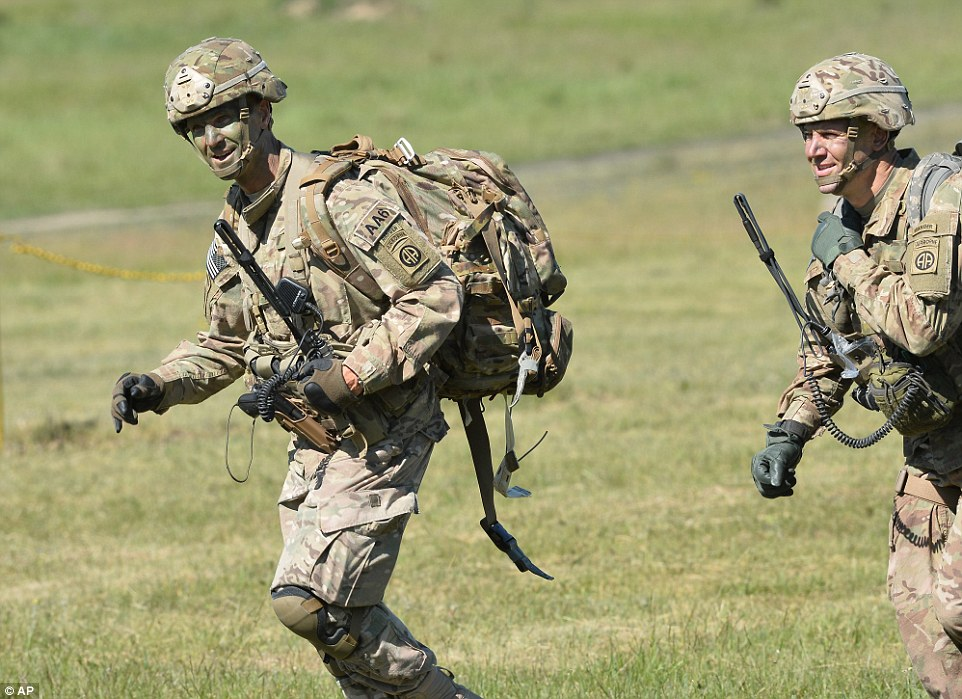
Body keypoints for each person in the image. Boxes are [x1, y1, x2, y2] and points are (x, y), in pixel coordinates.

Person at [110, 36, 483, 699]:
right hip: (316, 439)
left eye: (223, 116)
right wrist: (159, 383)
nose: (211, 138)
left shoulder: (335, 202)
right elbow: (223, 344)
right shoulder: (233, 229)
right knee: (331, 623)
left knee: (307, 602)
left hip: (385, 428)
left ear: (262, 109)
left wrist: (346, 377)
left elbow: (436, 295)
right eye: (194, 128)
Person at [749, 52, 962, 697]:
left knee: (958, 605)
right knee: (923, 621)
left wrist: (850, 266)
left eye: (830, 131)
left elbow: (922, 326)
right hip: (933, 451)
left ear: (876, 130)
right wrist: (789, 432)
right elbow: (829, 350)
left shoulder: (940, 200)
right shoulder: (843, 225)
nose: (813, 149)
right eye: (806, 134)